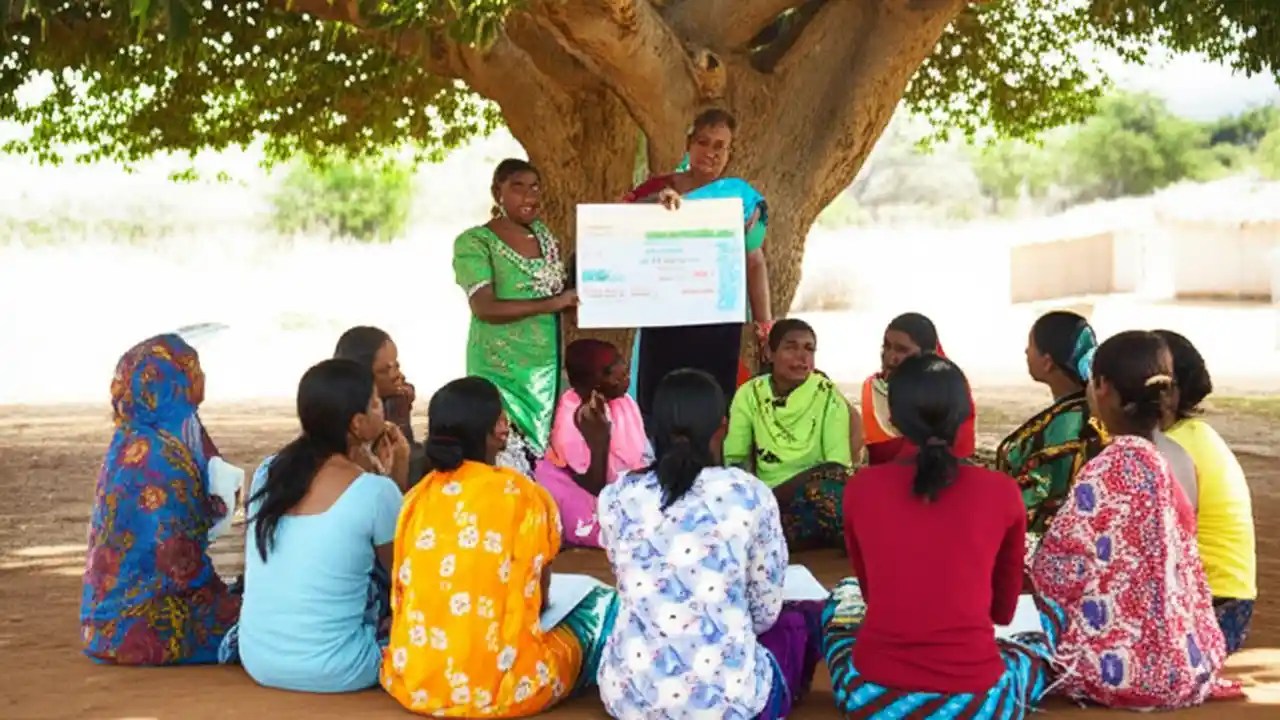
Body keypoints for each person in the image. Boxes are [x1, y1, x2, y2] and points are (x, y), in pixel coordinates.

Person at [823, 354, 1065, 719]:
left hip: (872, 698)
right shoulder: (1001, 492)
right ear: (966, 413)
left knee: (839, 607)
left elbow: (872, 596)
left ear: (890, 417)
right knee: (1049, 625)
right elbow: (1003, 612)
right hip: (979, 703)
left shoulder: (860, 489)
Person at [381, 377, 618, 716]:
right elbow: (541, 598)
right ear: (499, 430)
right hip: (507, 689)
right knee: (603, 605)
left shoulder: (417, 498)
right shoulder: (524, 494)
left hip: (417, 682)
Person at [597, 369, 822, 720]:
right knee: (798, 622)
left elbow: (629, 581)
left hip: (629, 701)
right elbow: (764, 614)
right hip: (731, 705)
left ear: (652, 427)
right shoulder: (749, 493)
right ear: (723, 426)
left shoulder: (617, 496)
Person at [1031, 331, 1234, 709]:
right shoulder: (1179, 458)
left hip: (1122, 668)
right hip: (1188, 659)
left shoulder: (1108, 466)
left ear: (1103, 387)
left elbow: (1058, 570)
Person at [234, 359, 408, 692]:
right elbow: (405, 575)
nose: (381, 408)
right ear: (357, 424)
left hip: (259, 659)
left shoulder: (268, 472)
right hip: (341, 667)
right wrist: (394, 479)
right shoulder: (375, 491)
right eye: (375, 402)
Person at [80, 334, 240, 665]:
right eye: (192, 371)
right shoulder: (163, 459)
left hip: (102, 624)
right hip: (143, 628)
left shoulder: (129, 437)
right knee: (263, 621)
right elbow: (179, 560)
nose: (201, 381)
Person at [624, 108, 774, 414]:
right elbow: (615, 228)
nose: (711, 153)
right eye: (704, 142)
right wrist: (652, 206)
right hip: (662, 318)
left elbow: (754, 262)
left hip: (717, 323)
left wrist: (765, 327)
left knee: (712, 405)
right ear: (689, 144)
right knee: (660, 402)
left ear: (730, 152)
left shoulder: (739, 198)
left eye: (721, 146)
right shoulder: (657, 189)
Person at [454, 159, 577, 476]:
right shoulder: (476, 242)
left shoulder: (545, 237)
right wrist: (552, 304)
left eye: (535, 187)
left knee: (542, 458)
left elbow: (560, 292)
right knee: (502, 450)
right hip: (499, 367)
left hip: (543, 369)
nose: (529, 196)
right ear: (498, 193)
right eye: (517, 187)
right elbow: (484, 307)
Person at [1156, 329, 1257, 654]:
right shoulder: (1194, 435)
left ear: (1167, 393)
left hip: (1212, 613)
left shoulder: (1175, 448)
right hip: (1222, 608)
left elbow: (1161, 547)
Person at [723, 319, 857, 549]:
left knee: (839, 486)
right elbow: (735, 458)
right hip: (767, 500)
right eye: (791, 347)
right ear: (769, 353)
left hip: (818, 497)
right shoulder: (749, 394)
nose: (801, 357)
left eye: (809, 349)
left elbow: (838, 466)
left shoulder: (826, 394)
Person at [995, 311, 1106, 538]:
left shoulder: (1064, 427)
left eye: (1031, 345)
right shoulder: (1095, 411)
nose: (1026, 352)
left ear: (1047, 363)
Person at [532, 339, 651, 548]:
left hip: (619, 486)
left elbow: (639, 457)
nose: (627, 380)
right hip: (585, 491)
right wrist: (600, 443)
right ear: (597, 381)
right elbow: (595, 486)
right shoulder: (572, 420)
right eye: (621, 377)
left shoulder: (622, 402)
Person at [860, 312, 975, 465]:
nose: (889, 357)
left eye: (902, 350)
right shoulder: (873, 387)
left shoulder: (949, 389)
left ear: (928, 354)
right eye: (886, 346)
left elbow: (960, 450)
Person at [333, 325, 424, 481]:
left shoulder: (394, 399)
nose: (398, 376)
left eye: (396, 365)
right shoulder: (351, 418)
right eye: (385, 370)